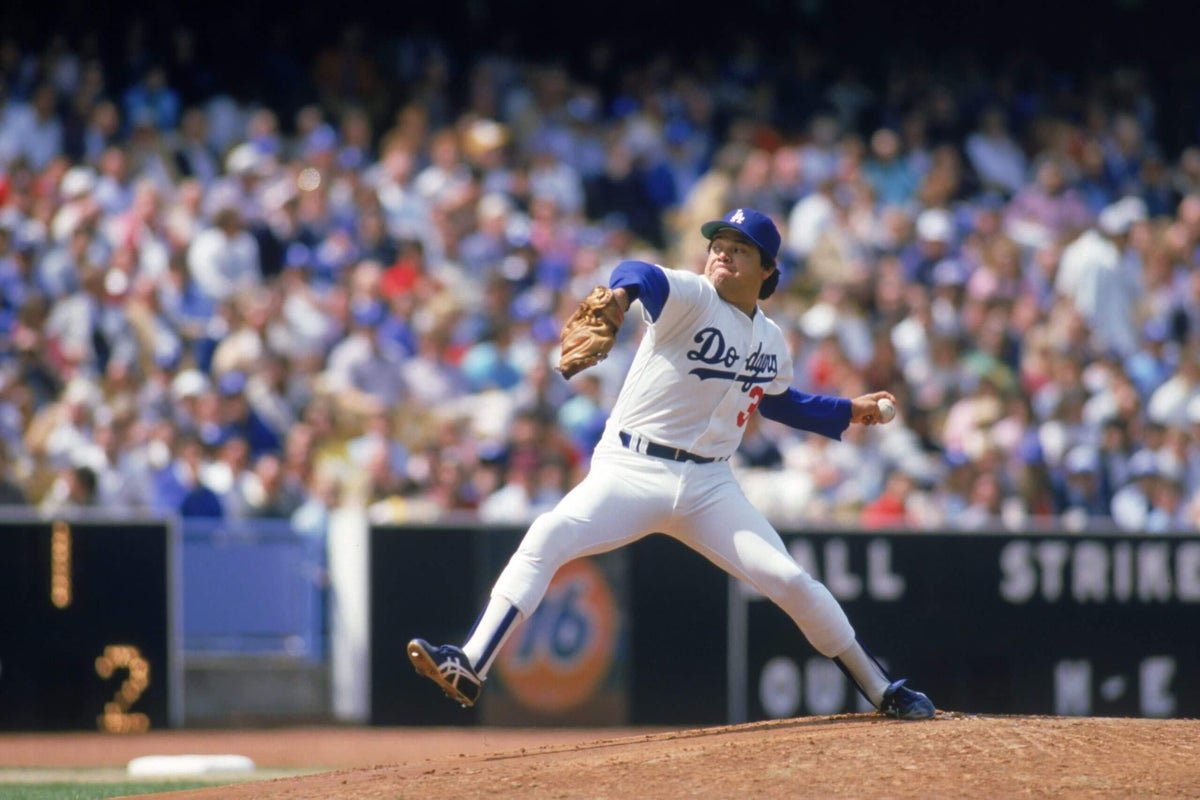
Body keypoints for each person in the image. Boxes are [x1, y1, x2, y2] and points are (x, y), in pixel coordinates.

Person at [407, 208, 935, 721]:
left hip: (709, 484)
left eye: (739, 249)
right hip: (631, 468)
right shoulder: (692, 295)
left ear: (768, 269)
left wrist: (848, 411)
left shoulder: (771, 340)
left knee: (792, 581)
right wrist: (618, 296)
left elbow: (776, 400)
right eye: (717, 245)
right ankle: (471, 662)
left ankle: (880, 688)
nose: (722, 255)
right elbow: (638, 273)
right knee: (550, 533)